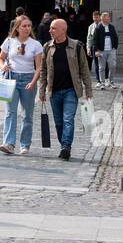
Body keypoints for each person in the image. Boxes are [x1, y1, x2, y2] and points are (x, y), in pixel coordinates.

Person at [38, 17, 93, 160]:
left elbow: (84, 70)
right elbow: (43, 70)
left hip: (71, 90)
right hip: (54, 91)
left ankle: (66, 147)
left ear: (63, 30)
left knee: (68, 119)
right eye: (50, 28)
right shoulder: (47, 47)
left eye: (53, 28)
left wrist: (88, 90)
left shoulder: (77, 46)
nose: (50, 31)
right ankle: (64, 145)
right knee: (58, 122)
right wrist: (42, 90)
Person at [0, 15, 43, 155]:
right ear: (17, 28)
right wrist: (3, 66)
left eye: (29, 26)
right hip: (11, 78)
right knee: (10, 112)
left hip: (29, 78)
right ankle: (9, 143)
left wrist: (33, 82)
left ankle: (25, 144)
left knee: (27, 114)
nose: (27, 28)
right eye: (24, 26)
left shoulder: (36, 44)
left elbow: (39, 67)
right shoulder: (9, 41)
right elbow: (0, 59)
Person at [91, 11, 120, 89]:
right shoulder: (98, 28)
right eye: (107, 17)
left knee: (113, 66)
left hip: (111, 50)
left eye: (109, 17)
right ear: (103, 19)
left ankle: (111, 81)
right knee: (102, 67)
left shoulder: (111, 27)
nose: (109, 19)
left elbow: (116, 37)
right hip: (101, 50)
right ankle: (102, 83)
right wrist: (96, 50)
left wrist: (115, 47)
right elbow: (94, 40)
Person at [86, 9, 103, 84]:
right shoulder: (91, 27)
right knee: (96, 64)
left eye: (97, 17)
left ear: (100, 17)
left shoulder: (104, 25)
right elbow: (89, 38)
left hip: (103, 47)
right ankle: (98, 80)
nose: (95, 19)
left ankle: (105, 78)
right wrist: (88, 48)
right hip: (94, 47)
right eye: (94, 17)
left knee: (104, 64)